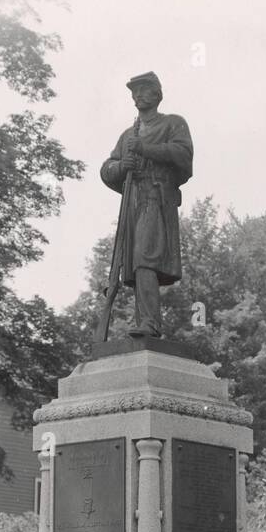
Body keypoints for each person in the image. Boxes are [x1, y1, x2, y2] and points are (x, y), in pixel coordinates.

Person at [99, 71, 193, 338]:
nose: (137, 95)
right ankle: (145, 322)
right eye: (134, 91)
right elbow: (107, 168)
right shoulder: (128, 133)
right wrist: (120, 167)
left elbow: (183, 157)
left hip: (156, 197)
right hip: (133, 201)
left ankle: (150, 323)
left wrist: (144, 149)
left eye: (144, 89)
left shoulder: (174, 124)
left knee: (144, 258)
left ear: (157, 94)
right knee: (136, 263)